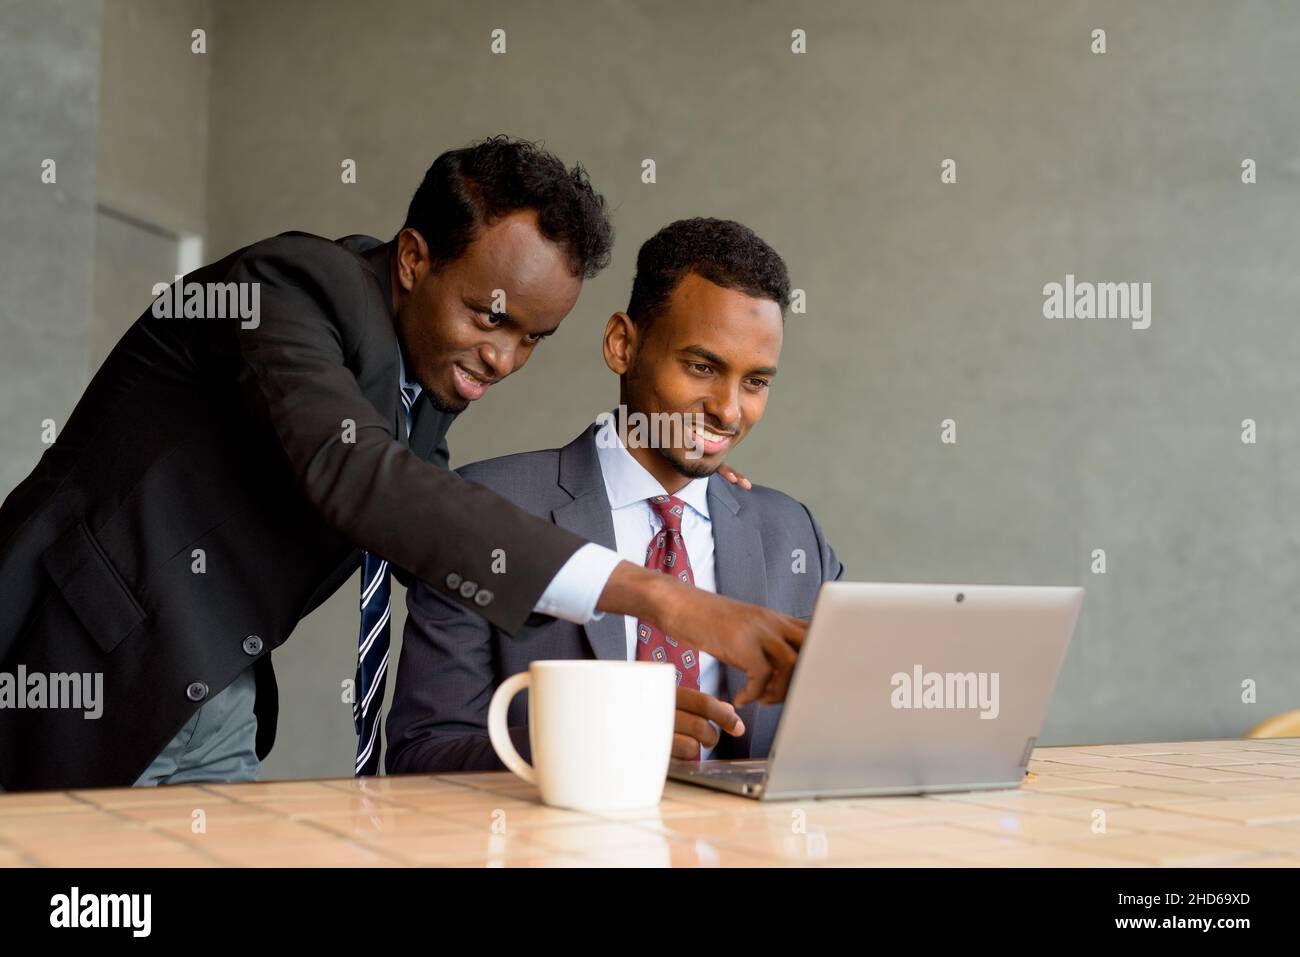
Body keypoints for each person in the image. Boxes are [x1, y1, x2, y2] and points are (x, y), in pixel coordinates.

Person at [0, 140, 805, 791]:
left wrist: (684, 493)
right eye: (490, 317)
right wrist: (660, 595)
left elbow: (433, 524)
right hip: (71, 669)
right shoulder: (286, 291)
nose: (502, 356)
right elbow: (363, 481)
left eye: (531, 336)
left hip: (215, 696)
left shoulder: (418, 401)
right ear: (415, 258)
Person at [388, 218, 842, 773]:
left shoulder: (792, 534)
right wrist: (591, 738)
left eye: (756, 383)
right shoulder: (486, 508)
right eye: (702, 367)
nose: (727, 410)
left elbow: (850, 732)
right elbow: (422, 756)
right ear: (622, 344)